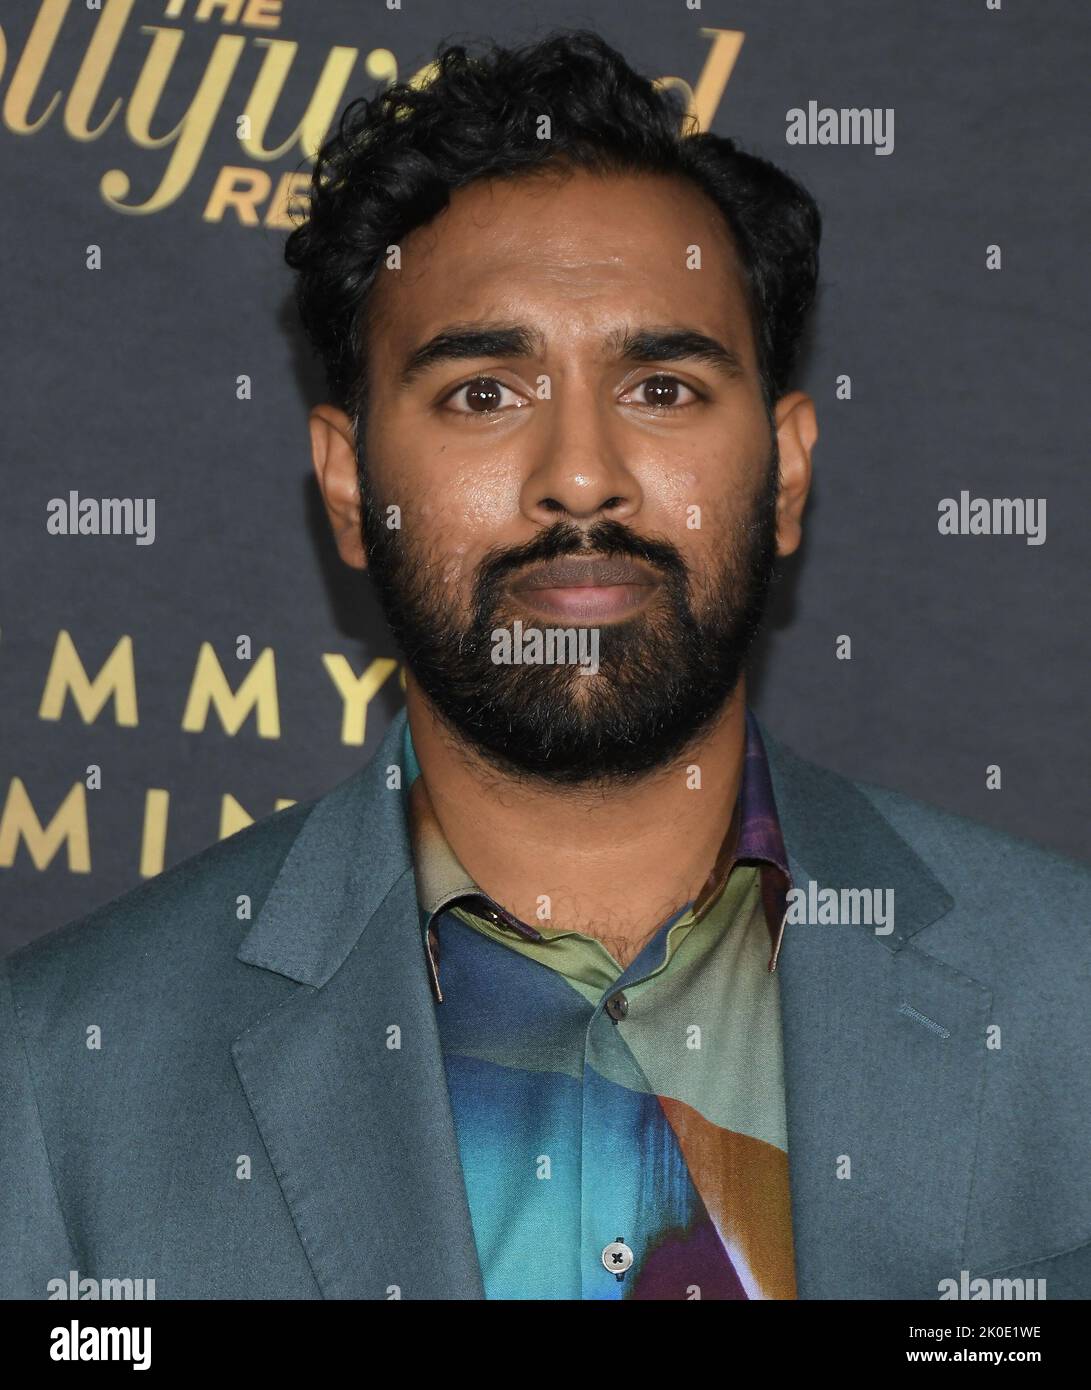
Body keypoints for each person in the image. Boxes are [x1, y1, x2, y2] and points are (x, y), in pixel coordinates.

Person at [2, 31, 1087, 1302]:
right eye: (482, 393)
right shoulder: (60, 1079)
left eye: (664, 388)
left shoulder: (1062, 1003)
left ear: (785, 471)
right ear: (351, 489)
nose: (580, 473)